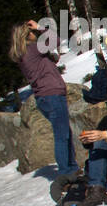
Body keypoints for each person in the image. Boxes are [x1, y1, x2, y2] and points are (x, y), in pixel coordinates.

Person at [9, 19, 79, 183]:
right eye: (32, 31)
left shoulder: (25, 53)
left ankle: (72, 168)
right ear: (28, 34)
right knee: (62, 134)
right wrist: (40, 27)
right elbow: (54, 39)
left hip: (45, 97)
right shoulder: (32, 49)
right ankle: (66, 172)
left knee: (64, 132)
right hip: (52, 95)